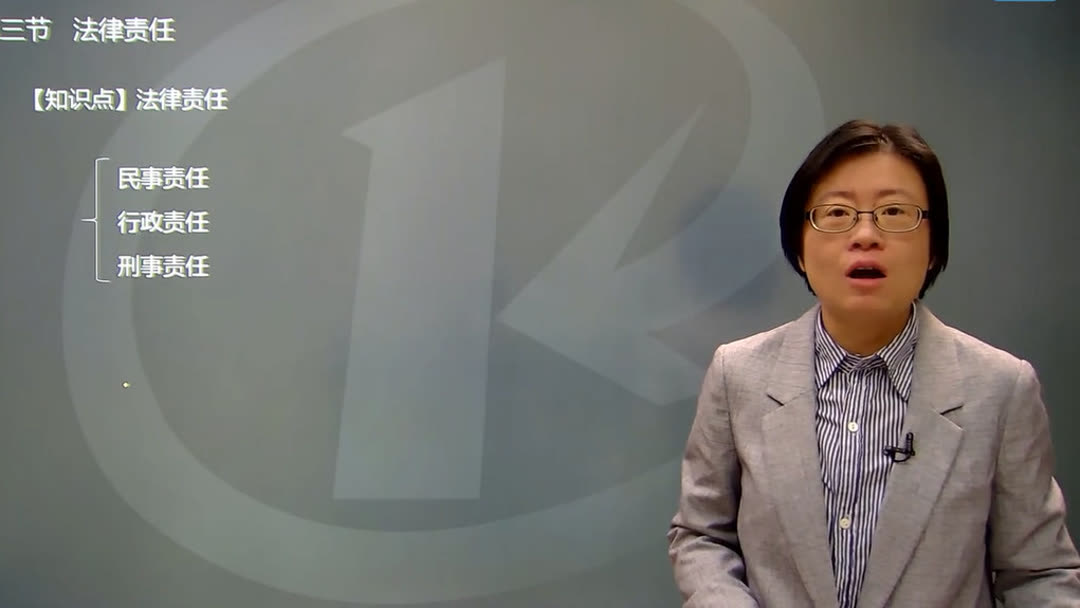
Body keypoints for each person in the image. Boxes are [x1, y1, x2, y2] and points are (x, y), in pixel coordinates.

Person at [666, 119, 1080, 607]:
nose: (865, 235)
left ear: (934, 248)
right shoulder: (738, 374)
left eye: (895, 212)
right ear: (800, 248)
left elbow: (1038, 573)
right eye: (837, 213)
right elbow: (701, 535)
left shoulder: (1001, 388)